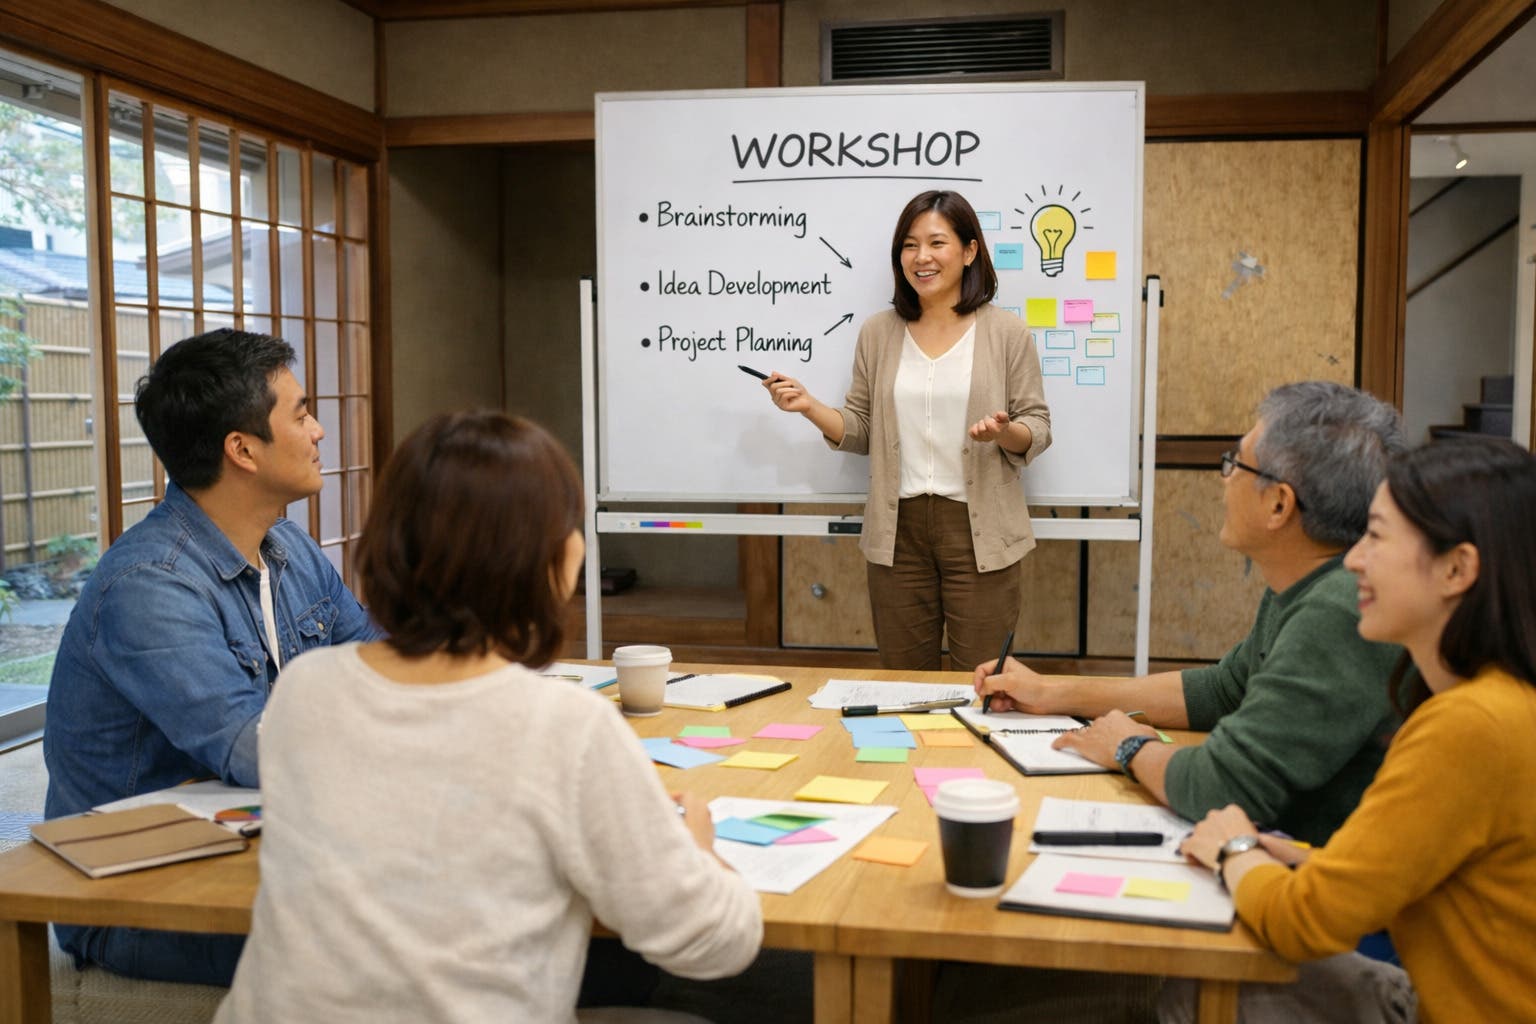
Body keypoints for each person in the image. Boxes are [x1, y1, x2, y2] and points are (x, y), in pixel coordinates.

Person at [214, 411, 762, 1023]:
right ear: (557, 559)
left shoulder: (305, 691)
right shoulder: (567, 726)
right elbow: (714, 943)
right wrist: (699, 853)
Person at [43, 328, 378, 984]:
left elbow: (379, 667)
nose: (319, 432)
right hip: (140, 891)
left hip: (272, 844)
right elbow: (258, 750)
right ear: (242, 448)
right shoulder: (149, 585)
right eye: (302, 413)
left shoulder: (290, 548)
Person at [1171, 436, 1536, 1024]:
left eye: (1378, 537)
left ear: (1457, 568)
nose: (1356, 559)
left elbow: (1304, 924)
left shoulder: (1471, 725)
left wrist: (1233, 849)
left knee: (1183, 986)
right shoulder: (1499, 700)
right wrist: (1309, 861)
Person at [975, 382, 1405, 846]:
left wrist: (1129, 746)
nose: (1224, 478)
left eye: (1236, 464)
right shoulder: (1310, 584)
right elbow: (1221, 691)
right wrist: (1050, 692)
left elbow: (1220, 786)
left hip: (1315, 882)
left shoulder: (1339, 612)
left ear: (1279, 504)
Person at [763, 189, 1051, 670]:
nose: (921, 257)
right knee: (903, 682)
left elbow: (1036, 427)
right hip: (898, 533)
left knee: (978, 684)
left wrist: (1003, 433)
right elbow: (859, 430)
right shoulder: (879, 332)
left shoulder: (1006, 333)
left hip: (980, 533)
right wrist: (809, 406)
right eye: (909, 245)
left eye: (937, 243)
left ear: (969, 250)